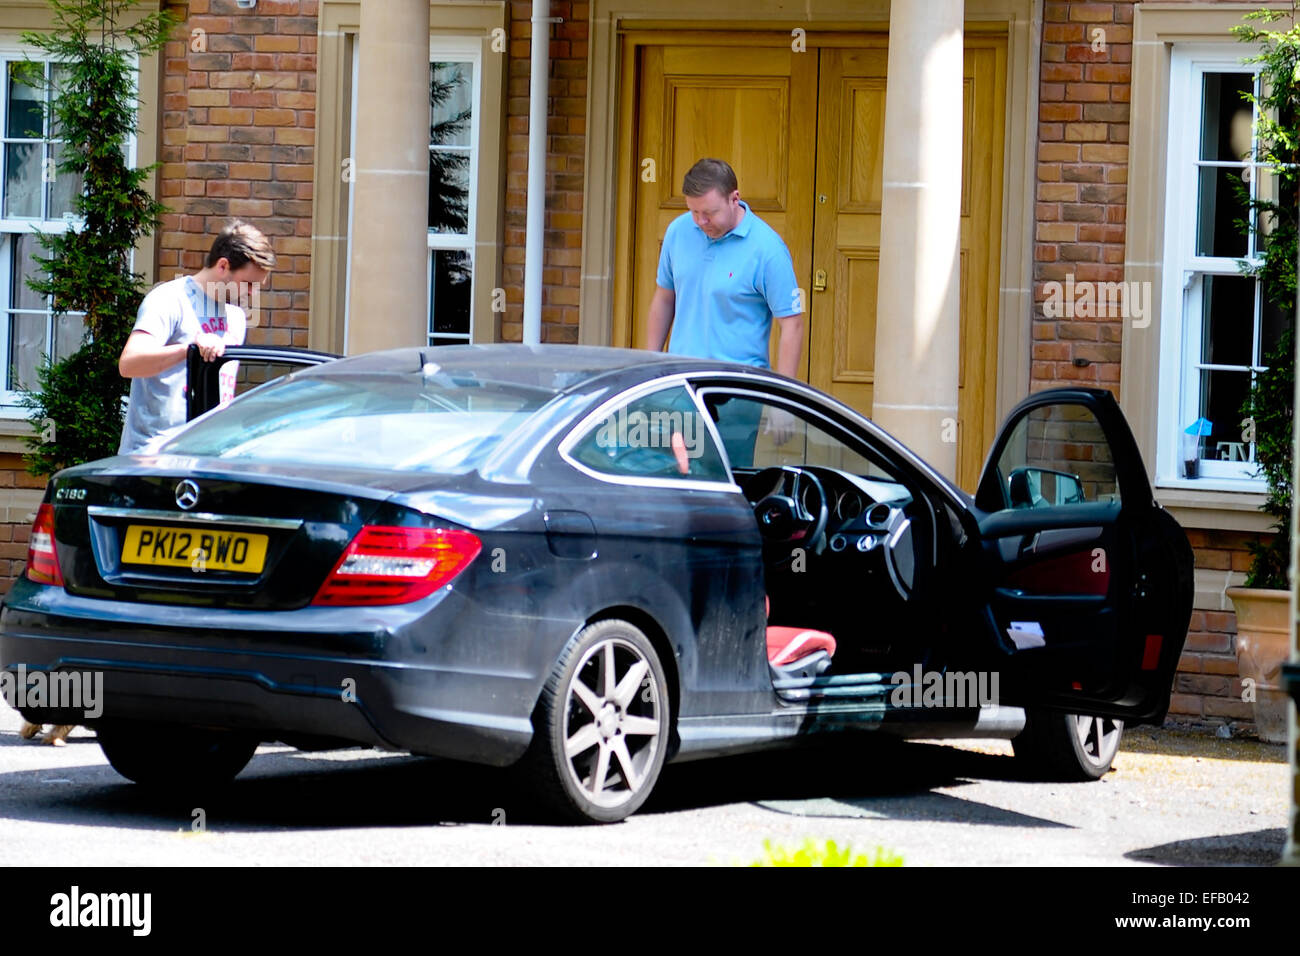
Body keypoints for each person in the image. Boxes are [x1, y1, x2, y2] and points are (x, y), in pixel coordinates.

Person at [645, 158, 804, 466]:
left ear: (735, 198)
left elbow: (792, 325)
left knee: (726, 484)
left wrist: (784, 401)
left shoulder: (768, 250)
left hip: (737, 394)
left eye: (710, 212)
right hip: (680, 386)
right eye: (694, 212)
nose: (701, 221)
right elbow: (664, 298)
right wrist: (650, 363)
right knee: (671, 480)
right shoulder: (678, 231)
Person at [117, 220, 275, 454]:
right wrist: (189, 350)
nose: (252, 293)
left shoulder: (236, 318)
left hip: (206, 455)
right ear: (223, 266)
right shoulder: (169, 299)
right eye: (248, 283)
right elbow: (129, 363)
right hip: (152, 456)